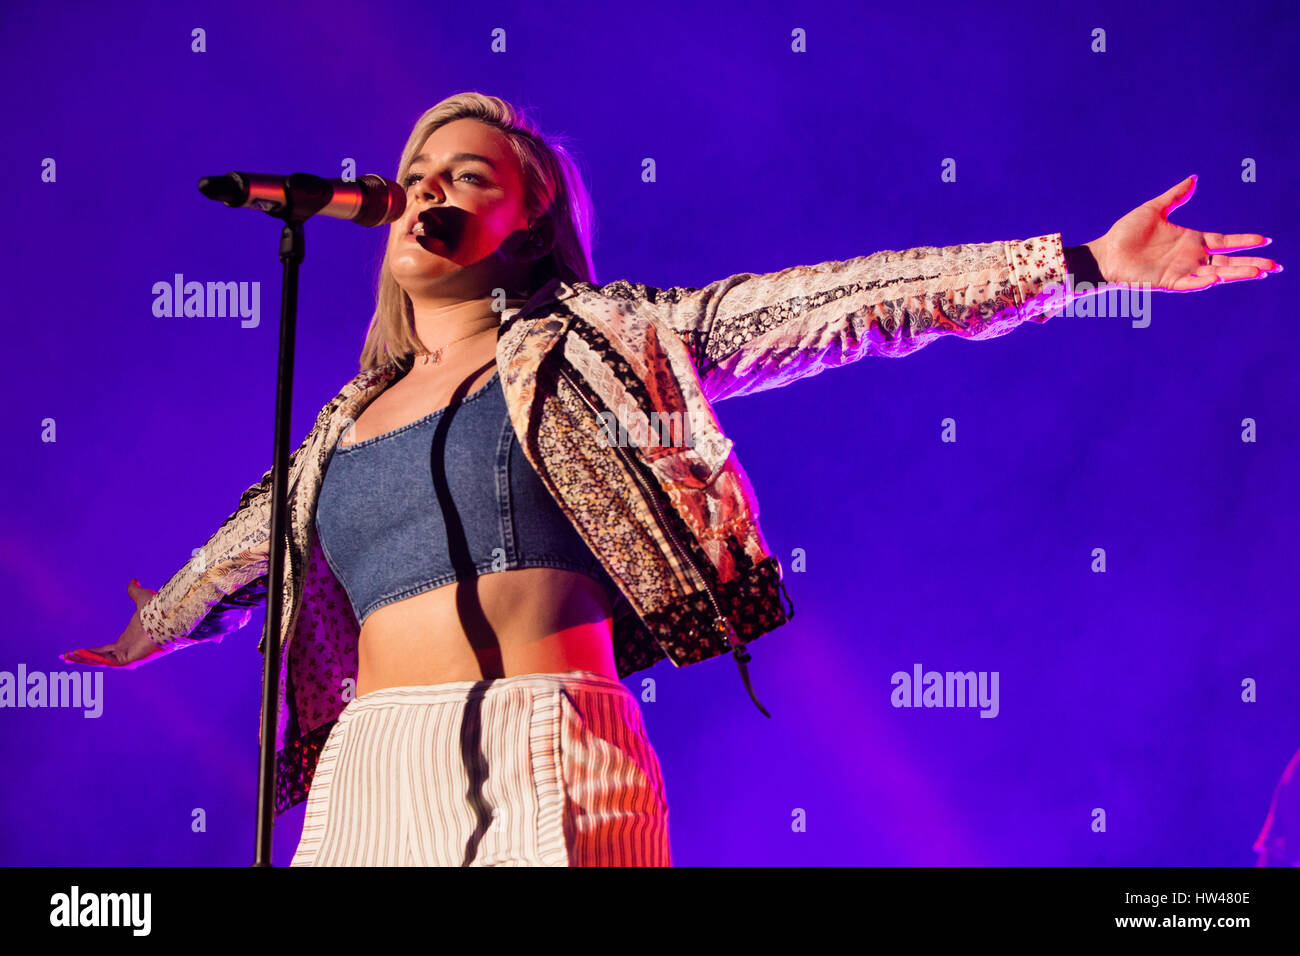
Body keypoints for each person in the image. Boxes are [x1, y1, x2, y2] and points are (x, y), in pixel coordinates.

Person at [61, 92, 1280, 867]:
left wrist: (1075, 261)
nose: (432, 182)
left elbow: (842, 304)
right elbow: (241, 558)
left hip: (549, 746)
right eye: (421, 168)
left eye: (471, 173)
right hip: (366, 768)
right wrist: (149, 627)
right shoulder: (338, 425)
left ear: (530, 223)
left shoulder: (611, 339)